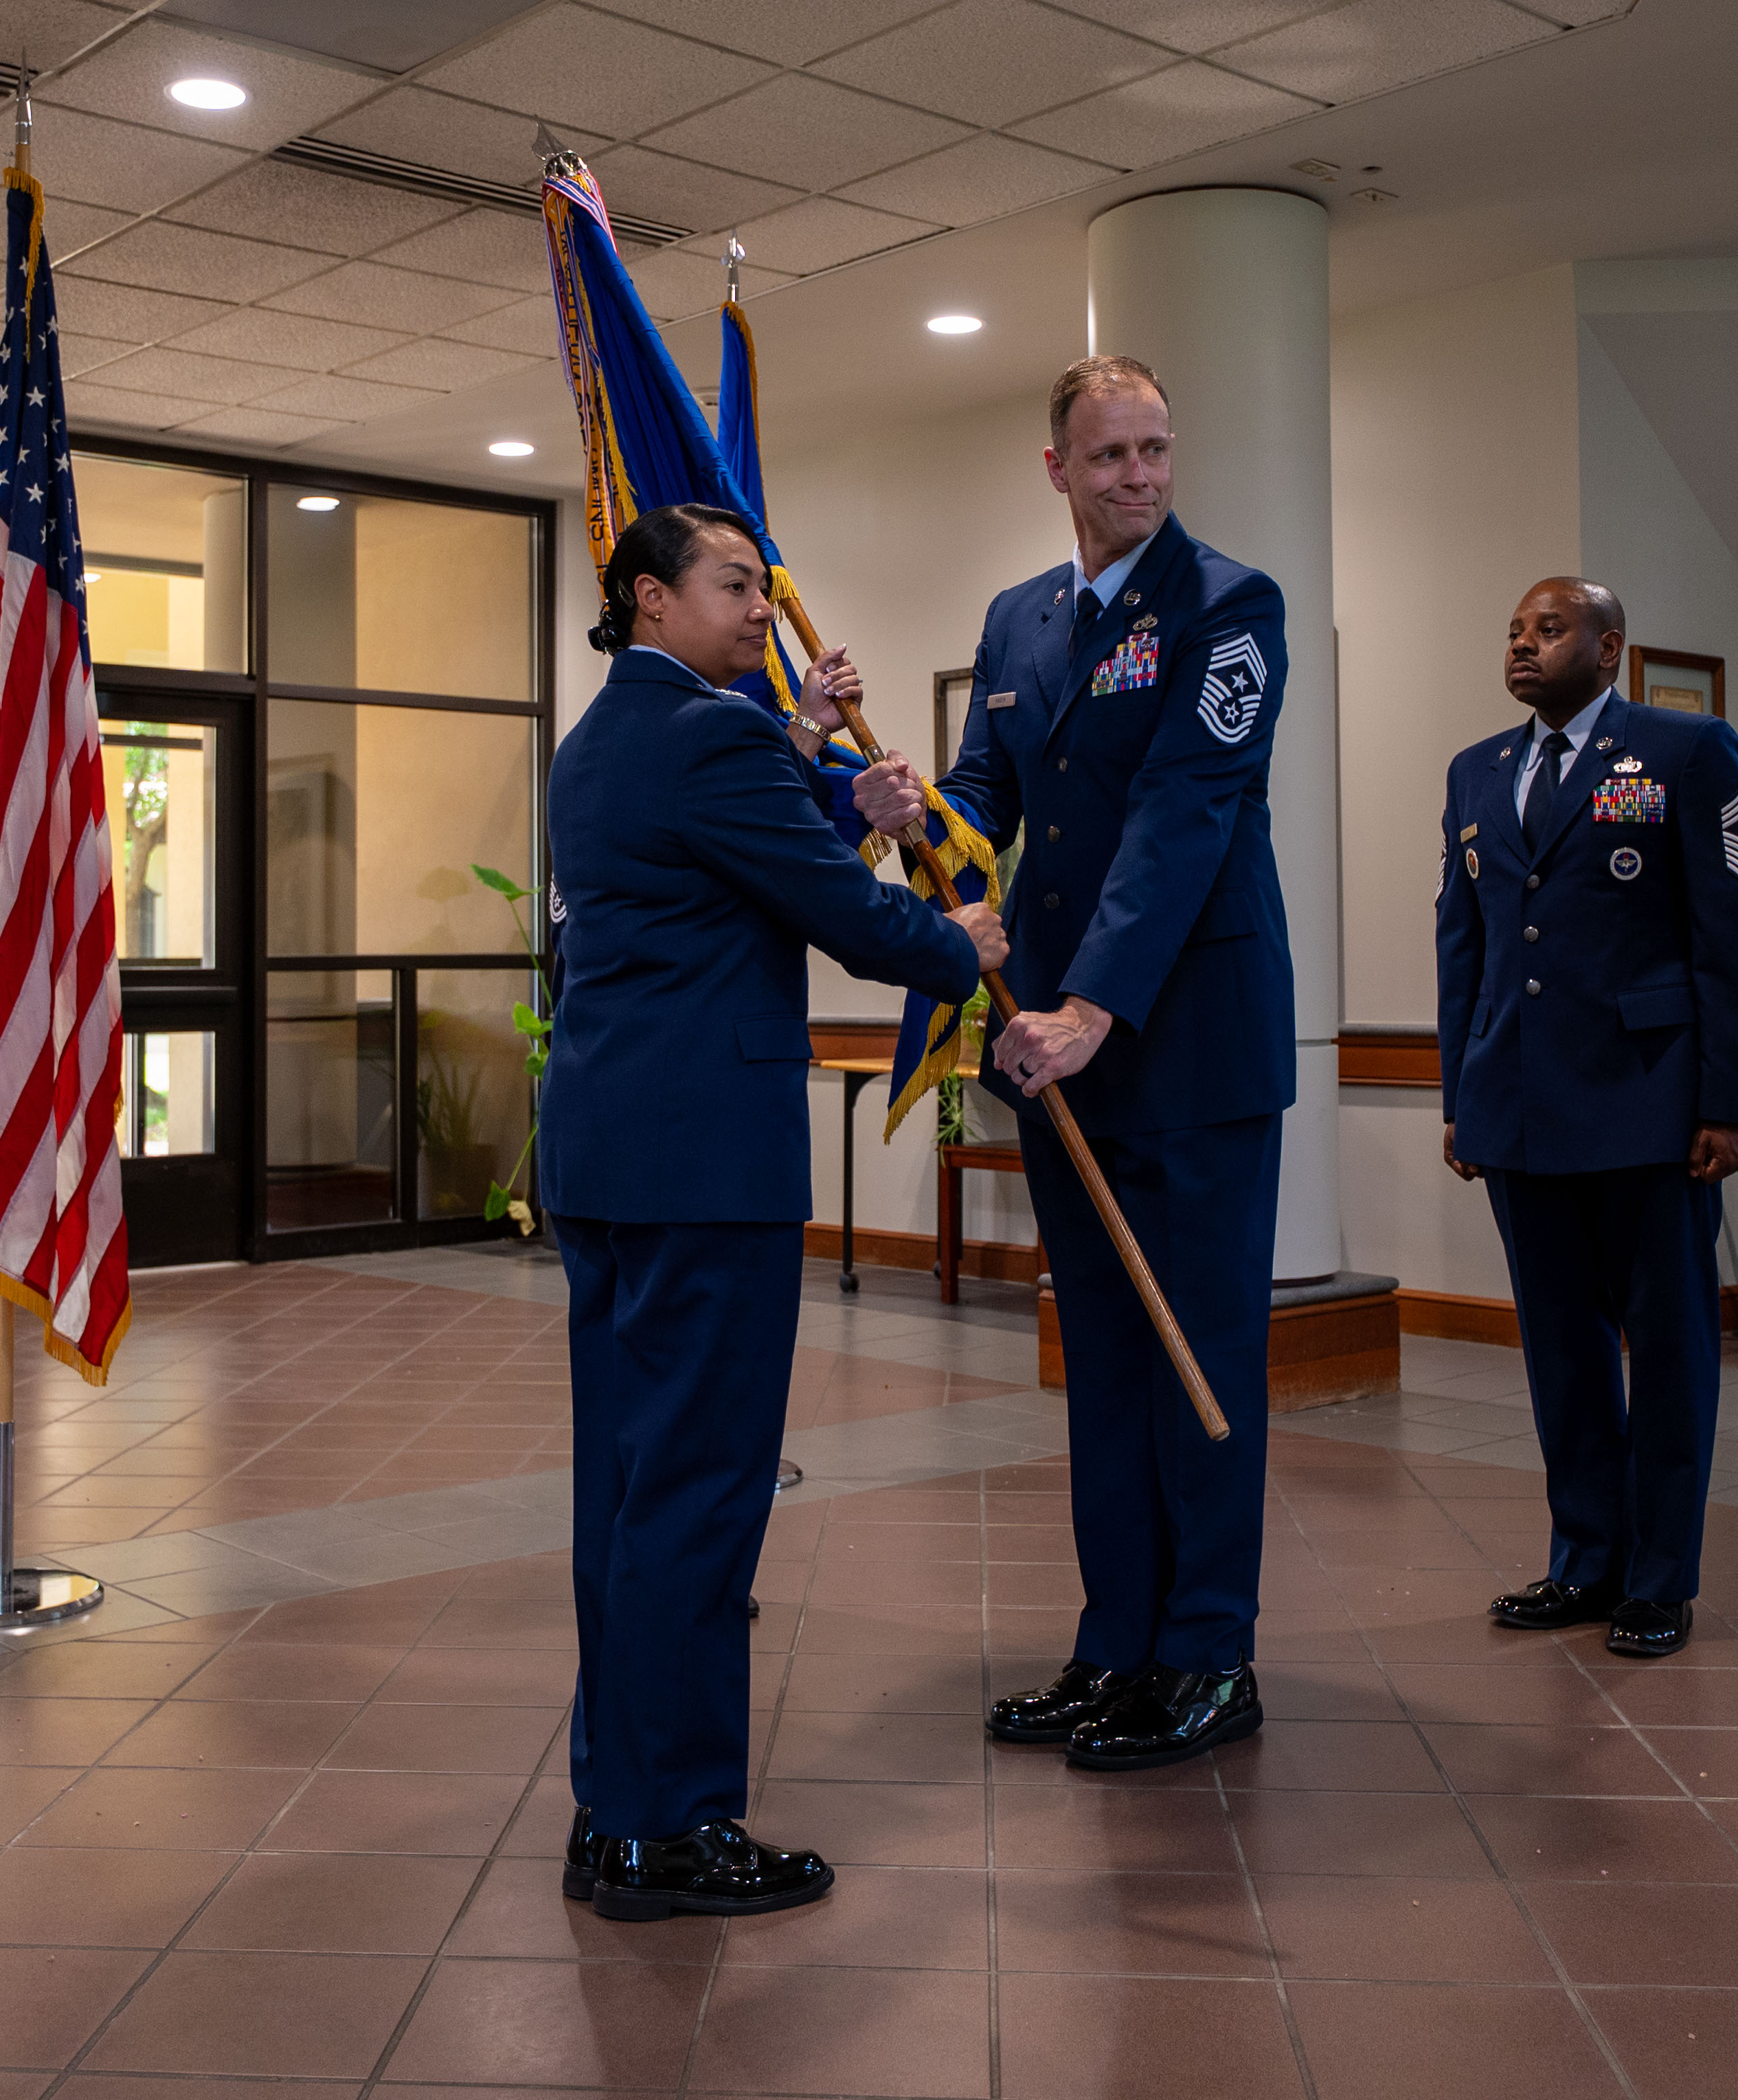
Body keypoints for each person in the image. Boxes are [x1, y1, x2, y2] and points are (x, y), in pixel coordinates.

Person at [544, 503, 1007, 1919]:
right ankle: (674, 1822)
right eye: (736, 584)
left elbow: (723, 882)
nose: (764, 606)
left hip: (612, 1153)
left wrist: (814, 767)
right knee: (699, 1485)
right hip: (709, 1167)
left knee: (624, 1485)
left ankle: (613, 1801)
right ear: (649, 596)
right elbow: (849, 922)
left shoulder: (597, 743)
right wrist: (963, 942)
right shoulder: (713, 736)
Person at [853, 355, 1290, 1772]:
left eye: (1157, 450)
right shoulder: (1022, 619)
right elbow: (992, 795)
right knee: (1101, 1357)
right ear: (1057, 469)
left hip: (1186, 1042)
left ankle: (1209, 1652)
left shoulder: (1229, 607)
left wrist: (1094, 1001)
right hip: (1061, 1046)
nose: (1140, 478)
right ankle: (1118, 1648)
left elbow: (1183, 813)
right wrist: (908, 806)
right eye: (1110, 457)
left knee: (1198, 1346)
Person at [1436, 576, 1738, 1659]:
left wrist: (1730, 1103)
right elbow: (1468, 947)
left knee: (1669, 1351)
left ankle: (1660, 1576)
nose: (1525, 647)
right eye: (1514, 633)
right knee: (1563, 1353)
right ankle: (1585, 1559)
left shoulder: (1689, 754)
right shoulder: (1478, 771)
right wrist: (1462, 1095)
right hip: (1523, 1113)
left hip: (1650, 1106)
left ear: (1610, 646)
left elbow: (1737, 936)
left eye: (1549, 629)